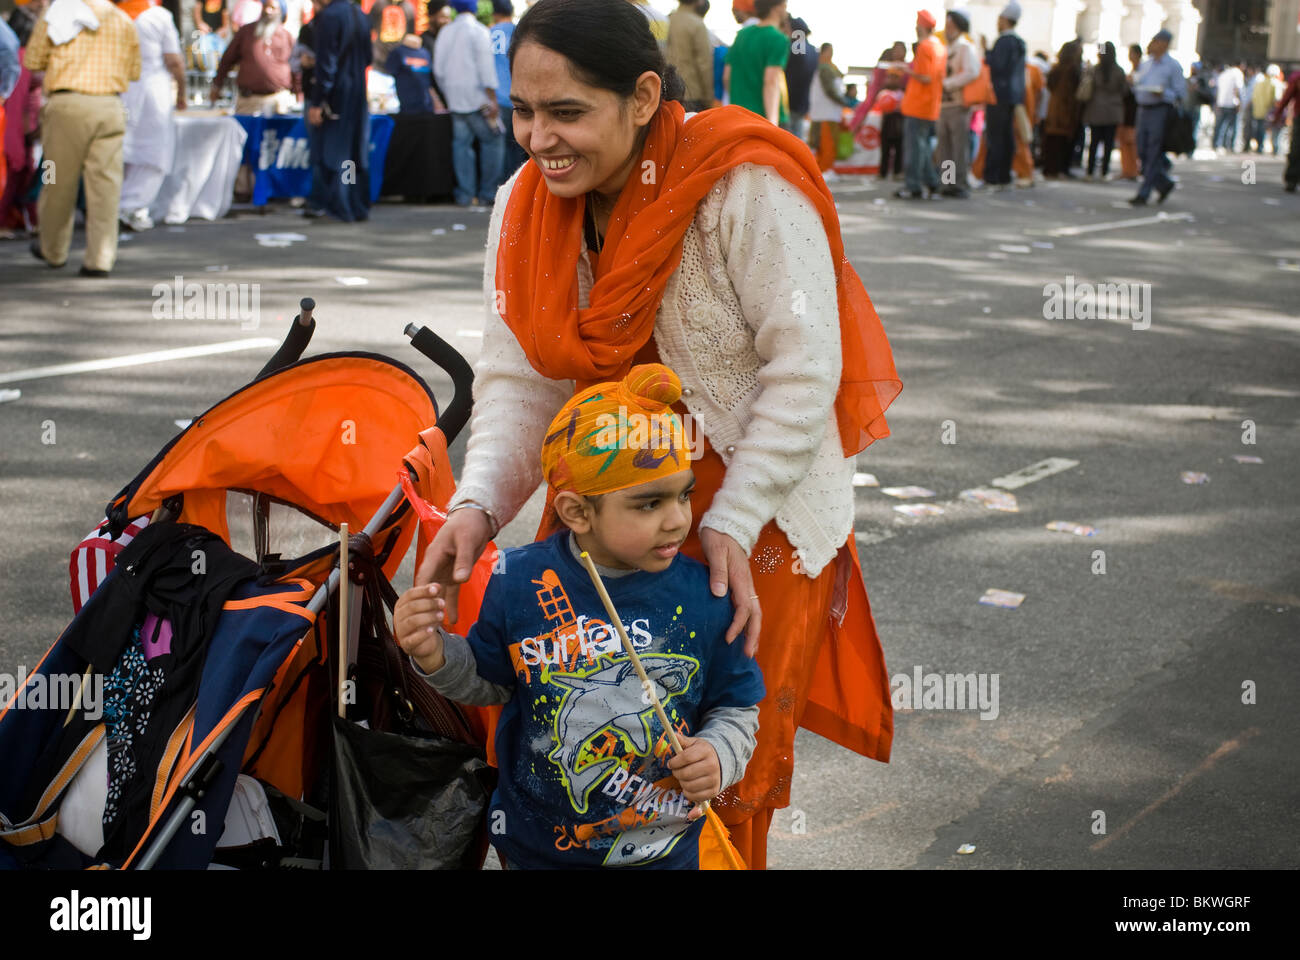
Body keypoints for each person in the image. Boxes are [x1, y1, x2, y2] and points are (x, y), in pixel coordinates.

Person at [422, 0, 900, 871]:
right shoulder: (522, 205)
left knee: (712, 777)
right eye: (524, 112)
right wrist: (479, 506)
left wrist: (729, 521)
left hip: (749, 515)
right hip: (599, 508)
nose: (538, 139)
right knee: (578, 775)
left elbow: (805, 373)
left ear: (644, 96)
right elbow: (521, 381)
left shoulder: (744, 183)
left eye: (567, 112)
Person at [397, 364, 765, 869]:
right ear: (576, 513)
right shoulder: (519, 580)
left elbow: (738, 707)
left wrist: (719, 756)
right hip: (536, 848)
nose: (679, 519)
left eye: (683, 494)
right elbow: (490, 683)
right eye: (648, 503)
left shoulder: (707, 595)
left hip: (660, 853)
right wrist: (435, 654)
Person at [26, 0, 141, 276]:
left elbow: (32, 60)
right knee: (106, 187)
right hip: (109, 107)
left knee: (53, 179)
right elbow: (134, 71)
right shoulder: (123, 20)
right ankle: (100, 259)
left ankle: (52, 249)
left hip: (67, 107)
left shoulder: (56, 14)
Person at [117, 0, 185, 234]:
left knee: (122, 150)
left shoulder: (111, 14)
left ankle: (120, 206)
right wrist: (182, 93)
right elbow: (174, 61)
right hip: (152, 94)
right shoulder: (159, 16)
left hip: (119, 89)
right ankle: (131, 206)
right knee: (155, 151)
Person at [305, 0, 371, 221]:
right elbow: (368, 57)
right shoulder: (359, 14)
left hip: (337, 94)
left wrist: (317, 100)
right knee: (352, 153)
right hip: (358, 92)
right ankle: (354, 204)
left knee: (335, 152)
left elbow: (327, 63)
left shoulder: (330, 17)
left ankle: (339, 205)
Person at [435, 0, 502, 207]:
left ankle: (465, 195)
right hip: (478, 98)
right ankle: (488, 193)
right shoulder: (480, 31)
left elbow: (438, 69)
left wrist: (448, 92)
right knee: (493, 141)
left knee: (461, 146)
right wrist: (492, 97)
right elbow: (486, 70)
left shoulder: (445, 32)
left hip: (454, 98)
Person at [1128, 28, 1184, 206]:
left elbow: (1180, 93)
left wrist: (1164, 94)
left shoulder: (1173, 66)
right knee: (1142, 151)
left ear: (1165, 44)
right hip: (1142, 109)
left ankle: (1143, 193)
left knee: (1152, 152)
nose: (1152, 44)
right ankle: (1164, 182)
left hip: (1160, 110)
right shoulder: (1146, 64)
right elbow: (1138, 86)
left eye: (1156, 41)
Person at [211, 0, 294, 114]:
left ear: (280, 12)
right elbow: (227, 60)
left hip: (278, 100)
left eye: (272, 8)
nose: (267, 11)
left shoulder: (286, 36)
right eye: (265, 6)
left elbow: (295, 66)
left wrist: (299, 93)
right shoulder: (246, 32)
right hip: (249, 101)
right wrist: (217, 85)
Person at [897, 9, 945, 199]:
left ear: (921, 27)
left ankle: (914, 185)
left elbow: (925, 77)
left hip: (918, 104)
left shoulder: (925, 47)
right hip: (930, 105)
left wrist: (905, 70)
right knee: (923, 146)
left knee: (915, 148)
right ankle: (931, 183)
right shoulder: (940, 46)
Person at [723, 0, 788, 127]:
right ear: (777, 8)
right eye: (785, 5)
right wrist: (773, 124)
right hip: (763, 119)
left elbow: (726, 77)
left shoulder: (741, 35)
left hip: (738, 117)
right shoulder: (778, 38)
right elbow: (771, 82)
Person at [936, 7, 978, 198]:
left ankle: (959, 183)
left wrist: (949, 84)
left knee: (958, 147)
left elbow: (972, 72)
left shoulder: (965, 47)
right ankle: (947, 183)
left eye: (950, 25)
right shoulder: (945, 47)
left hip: (958, 104)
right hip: (943, 105)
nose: (947, 29)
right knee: (945, 147)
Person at [983, 1, 1024, 190]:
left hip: (998, 95)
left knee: (996, 137)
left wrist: (986, 51)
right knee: (1007, 136)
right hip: (1012, 96)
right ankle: (1004, 175)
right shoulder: (1019, 42)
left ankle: (993, 176)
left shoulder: (1004, 42)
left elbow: (997, 66)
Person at [490, 1, 526, 188]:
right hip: (518, 97)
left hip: (495, 97)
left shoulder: (488, 33)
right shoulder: (520, 32)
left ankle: (501, 188)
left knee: (499, 148)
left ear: (495, 14)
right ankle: (519, 186)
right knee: (519, 145)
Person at [1082, 40, 1125, 180]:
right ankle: (1104, 172)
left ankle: (1090, 171)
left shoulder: (1095, 69)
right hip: (1112, 110)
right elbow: (1124, 90)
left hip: (1096, 109)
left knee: (1094, 142)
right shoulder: (1118, 70)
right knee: (1108, 143)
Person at [807, 42, 849, 173]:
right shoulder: (825, 68)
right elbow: (830, 90)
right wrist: (844, 102)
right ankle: (824, 170)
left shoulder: (827, 67)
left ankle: (824, 169)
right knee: (827, 143)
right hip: (826, 113)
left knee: (824, 143)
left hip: (825, 113)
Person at [667, 0, 714, 114]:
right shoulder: (697, 24)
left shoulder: (667, 20)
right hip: (691, 94)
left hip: (667, 91)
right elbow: (704, 65)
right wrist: (709, 98)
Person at [1043, 38, 1081, 178]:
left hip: (1055, 108)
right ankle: (1059, 169)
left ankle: (1052, 168)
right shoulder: (1071, 70)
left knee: (1053, 140)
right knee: (1062, 140)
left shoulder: (1056, 69)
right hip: (1066, 108)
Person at [385, 31, 434, 113]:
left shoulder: (424, 53)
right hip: (414, 100)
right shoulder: (399, 52)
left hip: (418, 100)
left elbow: (390, 70)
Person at [783, 13, 814, 138]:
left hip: (789, 103)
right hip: (803, 103)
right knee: (798, 140)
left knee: (787, 142)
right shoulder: (812, 50)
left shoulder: (795, 48)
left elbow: (789, 76)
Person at [1271, 67, 1299, 191]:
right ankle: (1291, 180)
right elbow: (1287, 97)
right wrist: (1277, 114)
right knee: (1296, 149)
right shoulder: (1297, 77)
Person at [1213, 60, 1243, 152]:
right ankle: (1229, 145)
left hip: (1221, 103)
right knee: (1231, 126)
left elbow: (1217, 90)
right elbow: (1237, 88)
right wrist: (1238, 102)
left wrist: (1217, 102)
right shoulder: (1237, 73)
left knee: (1220, 125)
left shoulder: (1223, 74)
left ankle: (1217, 144)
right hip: (1232, 103)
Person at [1246, 63, 1276, 154]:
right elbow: (1272, 98)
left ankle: (1256, 146)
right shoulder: (1272, 84)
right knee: (1263, 129)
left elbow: (1254, 96)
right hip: (1266, 111)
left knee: (1257, 128)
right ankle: (1260, 147)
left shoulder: (1258, 83)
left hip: (1257, 110)